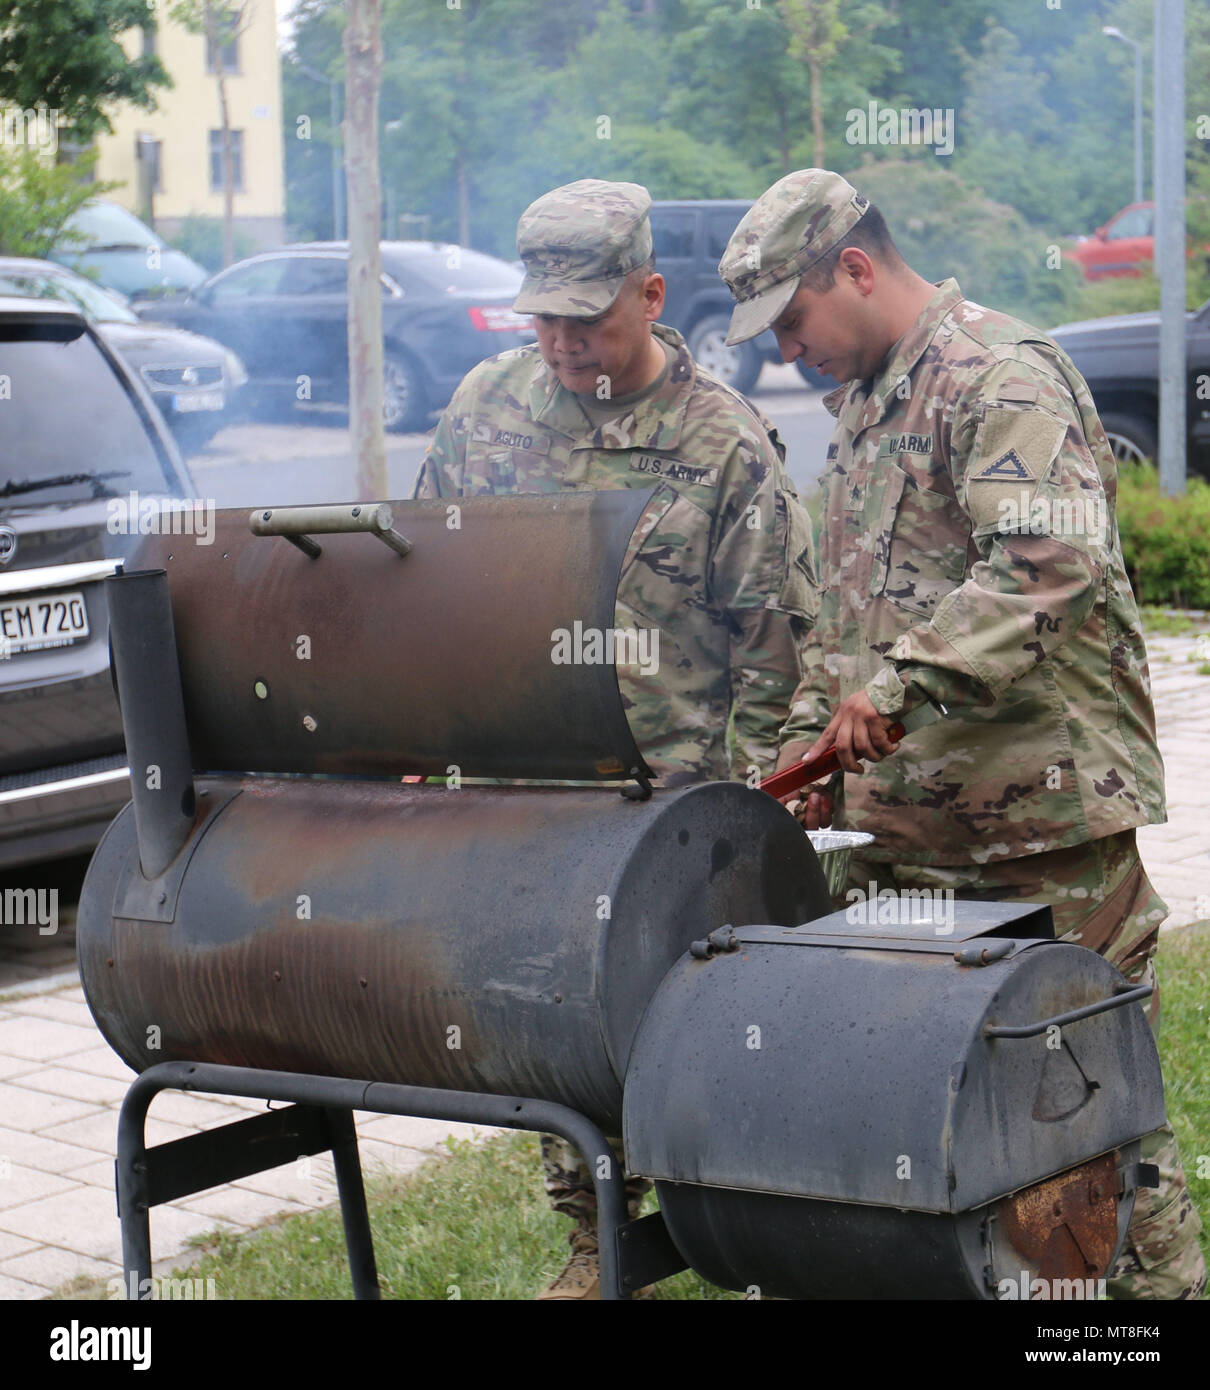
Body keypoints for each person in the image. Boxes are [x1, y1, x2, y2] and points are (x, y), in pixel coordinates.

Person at [718, 167, 1205, 1302]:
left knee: (1086, 1125)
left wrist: (900, 682)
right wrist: (793, 764)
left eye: (791, 321)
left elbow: (1048, 564)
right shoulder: (864, 409)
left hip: (1041, 833)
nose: (787, 352)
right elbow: (845, 630)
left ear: (855, 266)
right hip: (917, 839)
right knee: (970, 1131)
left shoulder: (996, 373)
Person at [413, 177, 817, 1298]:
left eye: (586, 321)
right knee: (555, 1022)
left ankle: (751, 1227)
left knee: (700, 1037)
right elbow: (430, 583)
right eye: (542, 318)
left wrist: (752, 820)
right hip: (536, 795)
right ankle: (597, 1234)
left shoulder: (721, 442)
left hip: (676, 810)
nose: (561, 345)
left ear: (650, 295)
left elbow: (777, 643)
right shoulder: (486, 405)